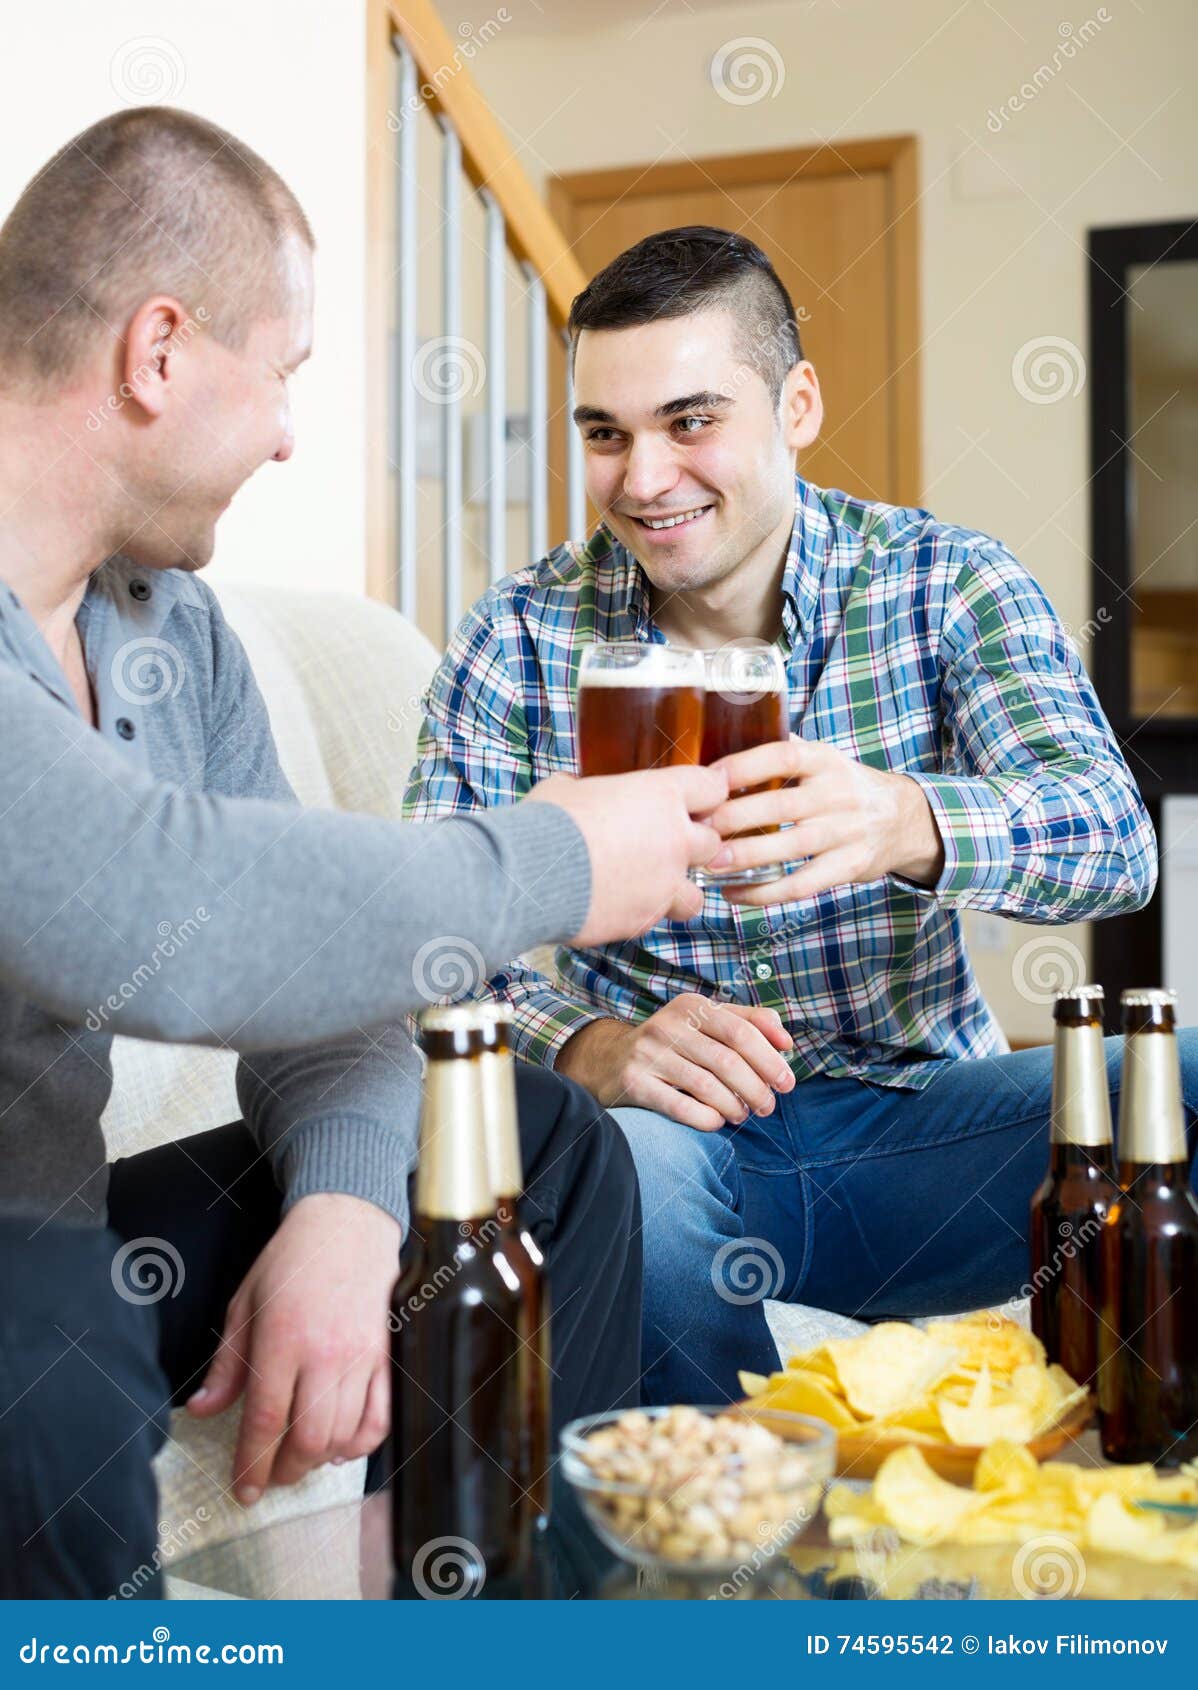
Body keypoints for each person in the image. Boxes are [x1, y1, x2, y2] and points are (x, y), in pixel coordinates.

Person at [0, 112, 728, 1598]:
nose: (285, 432)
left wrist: (347, 1204)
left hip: (65, 1226)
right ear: (158, 352)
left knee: (538, 1145)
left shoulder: (163, 625)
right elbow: (145, 898)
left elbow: (320, 971)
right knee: (45, 1351)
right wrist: (551, 858)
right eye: (284, 375)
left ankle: (492, 1624)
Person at [406, 224, 1195, 1406]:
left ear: (798, 405)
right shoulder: (518, 635)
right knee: (623, 1164)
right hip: (671, 1145)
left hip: (923, 1130)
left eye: (691, 420)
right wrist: (592, 1045)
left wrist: (906, 819)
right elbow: (425, 938)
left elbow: (1113, 842)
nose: (644, 478)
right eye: (605, 435)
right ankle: (739, 1554)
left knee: (1176, 1079)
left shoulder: (943, 581)